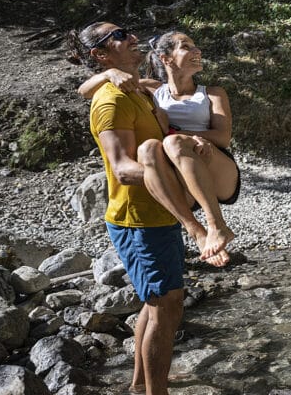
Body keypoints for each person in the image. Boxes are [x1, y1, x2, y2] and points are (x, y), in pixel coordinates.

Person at [66, 21, 210, 395]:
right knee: (168, 303)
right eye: (119, 35)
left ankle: (141, 382)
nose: (131, 37)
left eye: (127, 31)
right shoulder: (110, 99)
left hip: (156, 212)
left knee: (154, 301)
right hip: (138, 218)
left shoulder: (136, 89)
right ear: (99, 54)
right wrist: (169, 178)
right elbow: (122, 167)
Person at [77, 31, 238, 264]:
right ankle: (196, 231)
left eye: (195, 46)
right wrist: (109, 73)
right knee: (148, 149)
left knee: (172, 141)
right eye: (186, 47)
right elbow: (84, 91)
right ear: (166, 59)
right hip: (182, 175)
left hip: (215, 165)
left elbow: (222, 138)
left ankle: (217, 225)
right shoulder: (151, 89)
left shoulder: (213, 93)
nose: (197, 51)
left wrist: (186, 137)